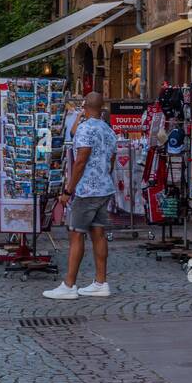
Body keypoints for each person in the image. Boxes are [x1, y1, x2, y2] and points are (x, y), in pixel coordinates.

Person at [44, 91, 117, 300]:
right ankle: (101, 282)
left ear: (85, 106)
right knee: (98, 233)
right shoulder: (108, 130)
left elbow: (81, 161)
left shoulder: (85, 129)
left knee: (76, 234)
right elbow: (111, 161)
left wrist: (68, 190)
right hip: (104, 188)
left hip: (87, 190)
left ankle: (69, 285)